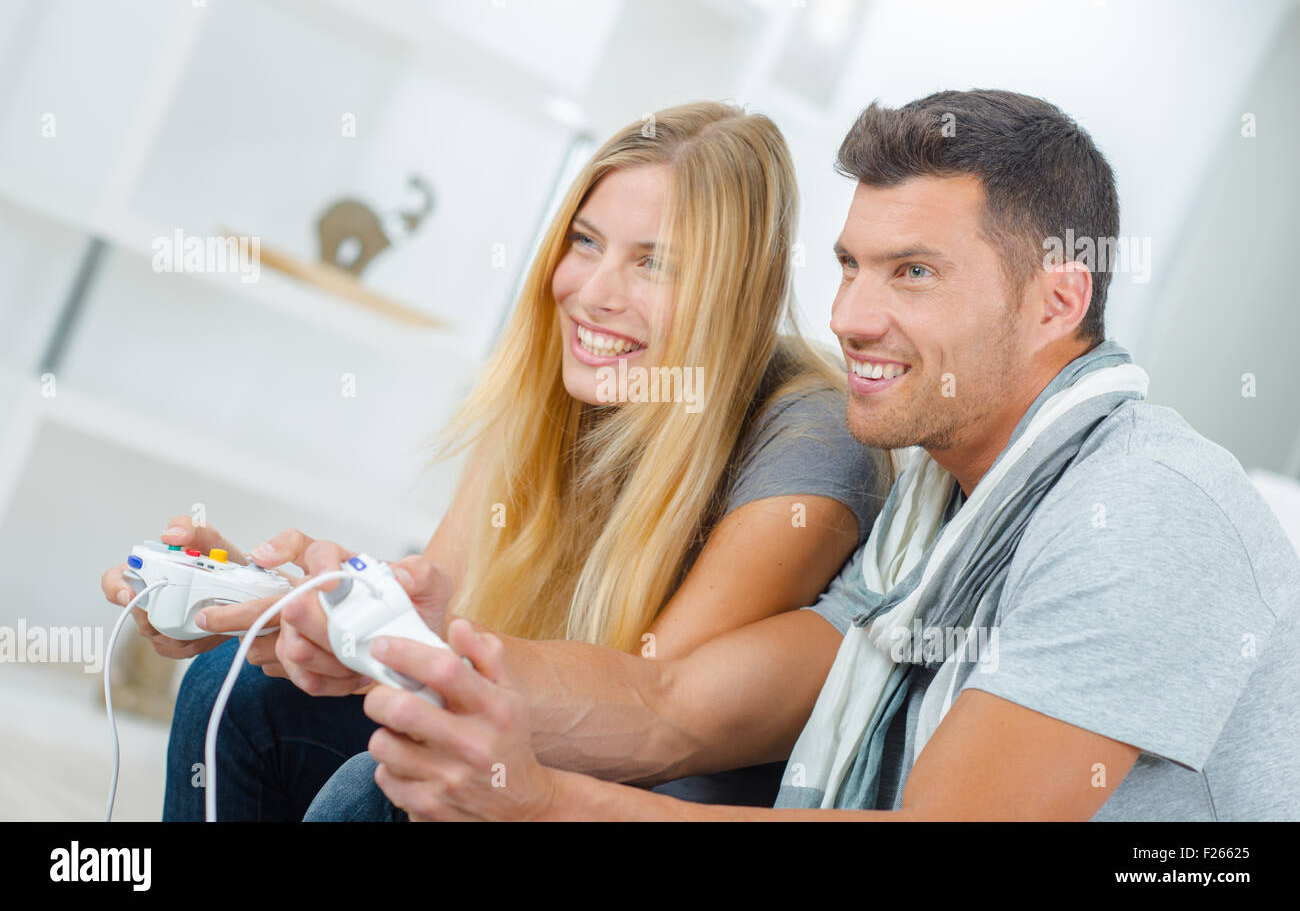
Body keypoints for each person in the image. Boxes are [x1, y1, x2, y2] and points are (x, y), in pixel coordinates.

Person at [300, 88, 1300, 821]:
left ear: (1056, 302)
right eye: (851, 268)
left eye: (913, 274)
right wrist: (404, 646)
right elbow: (675, 706)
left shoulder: (1140, 516)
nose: (852, 318)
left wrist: (544, 802)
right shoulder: (933, 524)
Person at [100, 101, 890, 820]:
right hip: (518, 714)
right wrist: (282, 605)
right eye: (585, 242)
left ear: (732, 293)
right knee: (231, 683)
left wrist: (388, 642)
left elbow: (642, 712)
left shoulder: (812, 440)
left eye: (654, 263)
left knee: (371, 790)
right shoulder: (562, 387)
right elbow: (441, 612)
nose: (592, 292)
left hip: (639, 782)